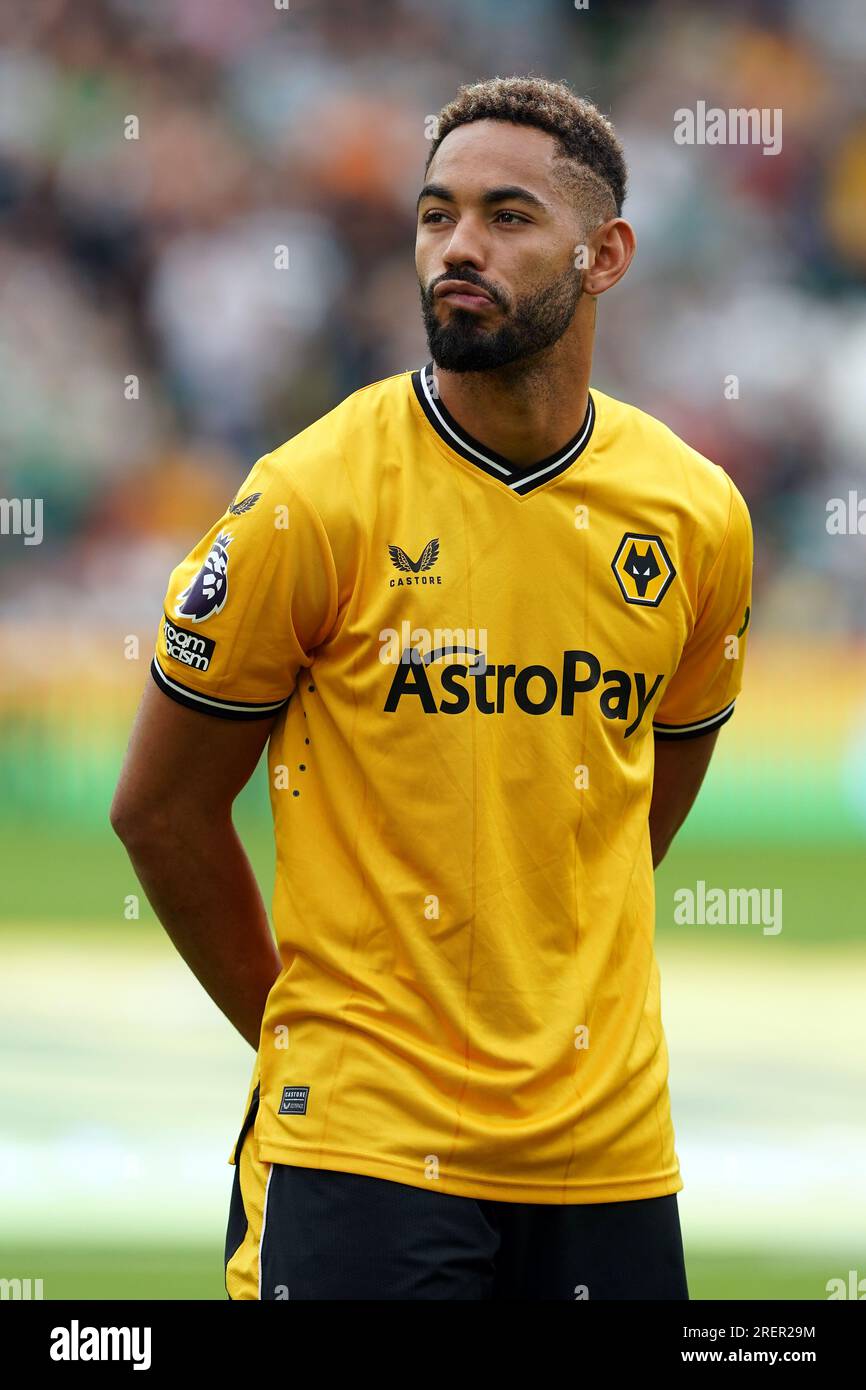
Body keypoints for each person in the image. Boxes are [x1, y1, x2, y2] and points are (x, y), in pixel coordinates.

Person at [111, 75, 753, 1301]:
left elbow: (634, 809)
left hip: (609, 1156)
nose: (457, 246)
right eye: (433, 214)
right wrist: (310, 1037)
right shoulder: (312, 498)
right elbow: (160, 810)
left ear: (603, 253)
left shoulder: (694, 515)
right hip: (364, 1146)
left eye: (507, 216)